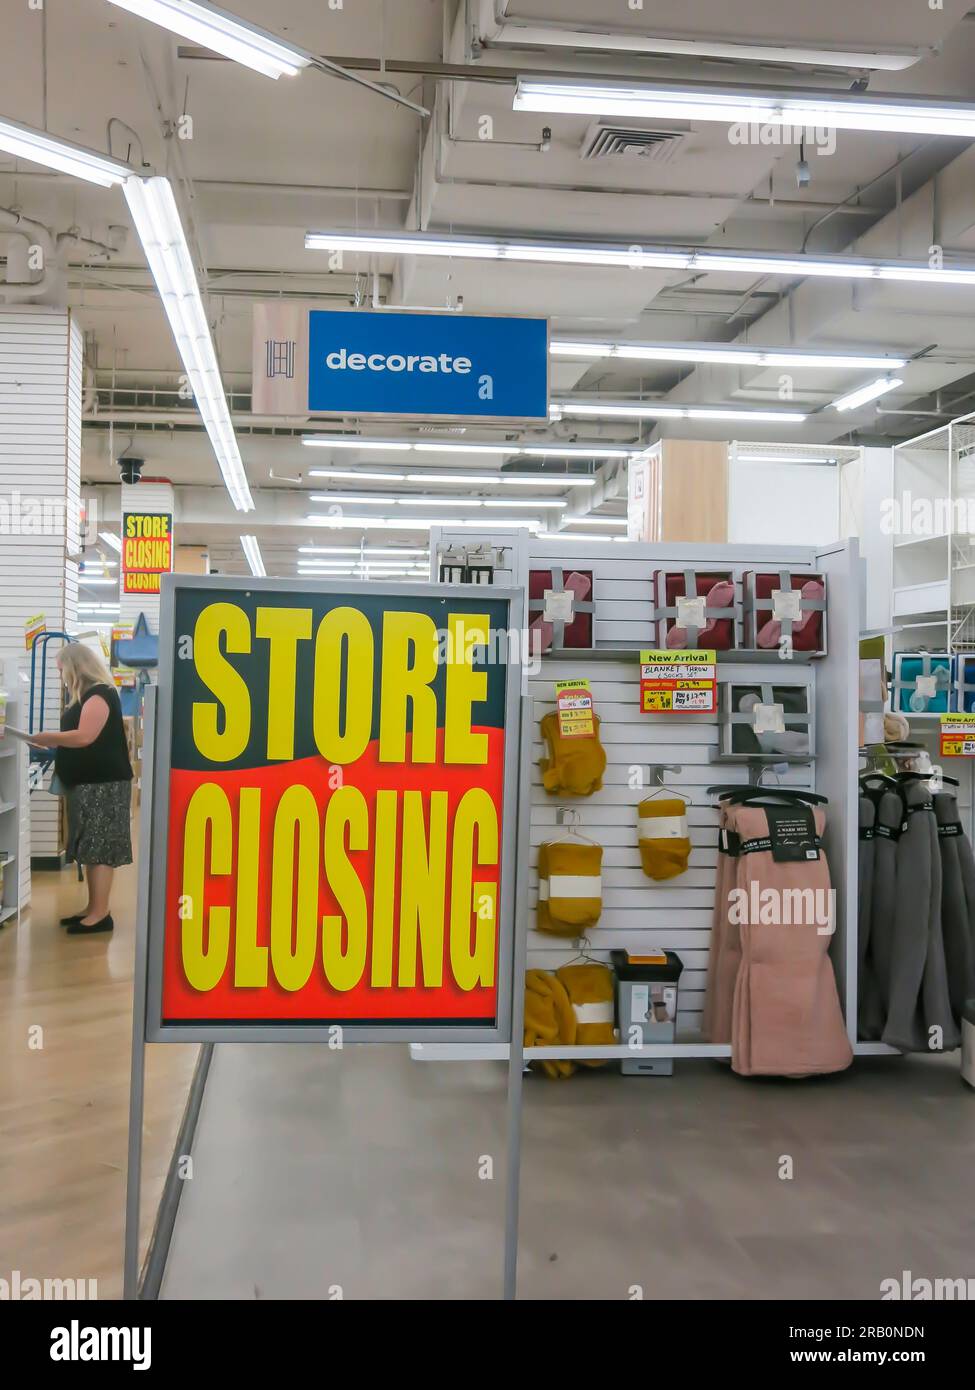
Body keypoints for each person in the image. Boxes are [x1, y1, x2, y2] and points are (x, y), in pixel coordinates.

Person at [29, 643, 133, 935]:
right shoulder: (87, 695)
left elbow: (86, 736)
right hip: (91, 783)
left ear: (75, 667)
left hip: (105, 784)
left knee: (99, 849)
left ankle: (100, 914)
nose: (60, 675)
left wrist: (50, 737)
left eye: (62, 669)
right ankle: (94, 909)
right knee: (91, 847)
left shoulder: (99, 693)